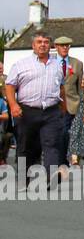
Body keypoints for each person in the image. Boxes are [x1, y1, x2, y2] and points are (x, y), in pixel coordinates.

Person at [4, 31, 65, 177]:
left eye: (45, 42)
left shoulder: (57, 65)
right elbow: (10, 85)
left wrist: (64, 108)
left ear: (50, 45)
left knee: (52, 144)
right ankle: (24, 178)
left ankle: (51, 176)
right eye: (39, 42)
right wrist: (13, 105)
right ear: (33, 45)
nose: (43, 45)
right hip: (27, 111)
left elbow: (61, 87)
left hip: (51, 111)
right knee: (26, 146)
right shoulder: (21, 65)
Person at [53, 37, 84, 166]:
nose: (65, 48)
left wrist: (82, 102)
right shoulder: (50, 62)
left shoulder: (77, 63)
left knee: (74, 132)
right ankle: (62, 158)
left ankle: (73, 157)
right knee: (61, 132)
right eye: (62, 45)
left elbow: (79, 86)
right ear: (56, 47)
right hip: (56, 104)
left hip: (73, 103)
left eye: (67, 45)